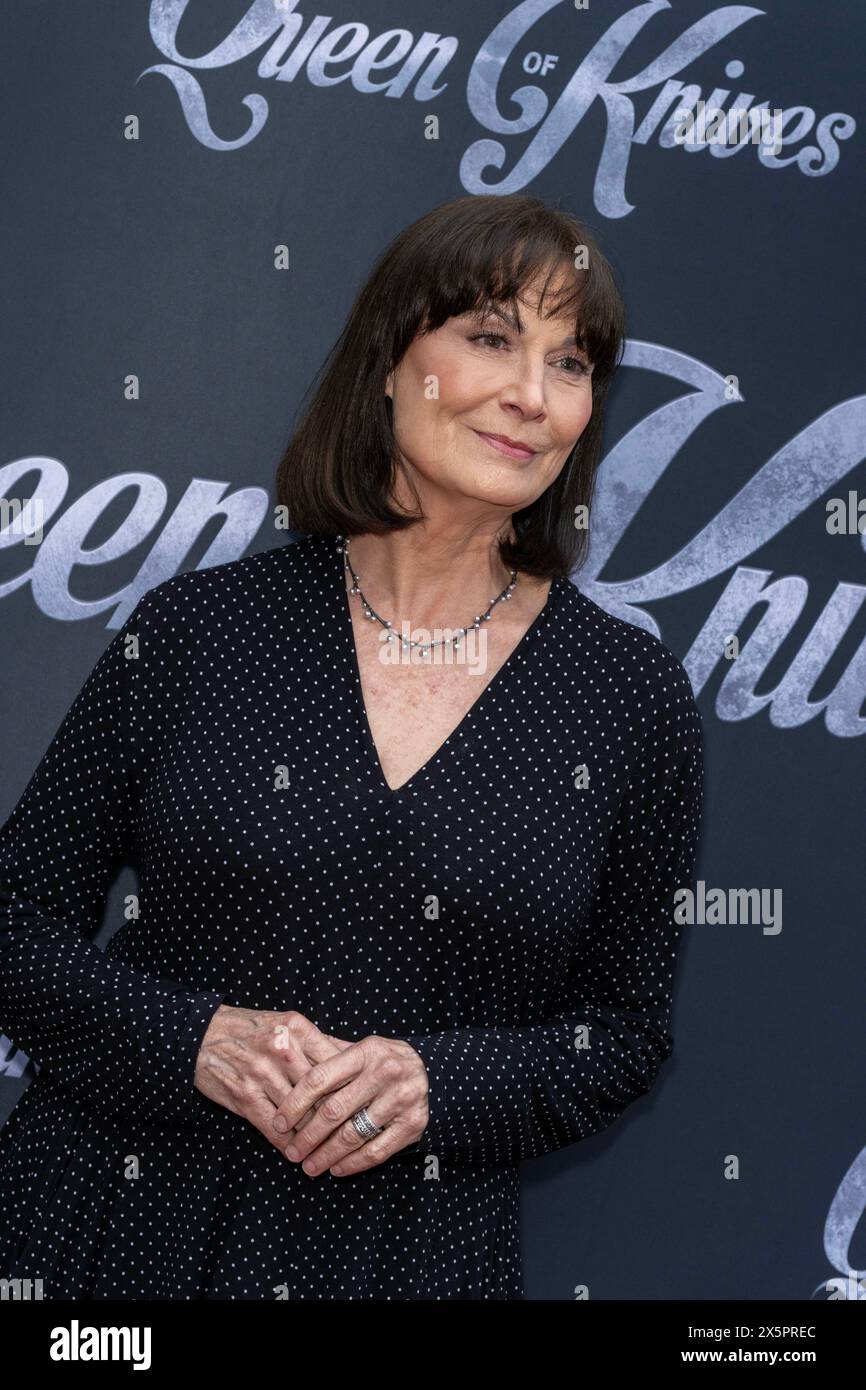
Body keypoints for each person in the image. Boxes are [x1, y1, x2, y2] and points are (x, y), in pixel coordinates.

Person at [0, 193, 703, 1300]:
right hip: (104, 1238)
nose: (532, 394)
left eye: (570, 363)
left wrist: (440, 1080)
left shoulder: (627, 697)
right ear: (388, 360)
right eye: (489, 338)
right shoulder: (198, 631)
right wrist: (188, 1038)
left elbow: (618, 1034)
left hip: (405, 1261)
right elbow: (12, 921)